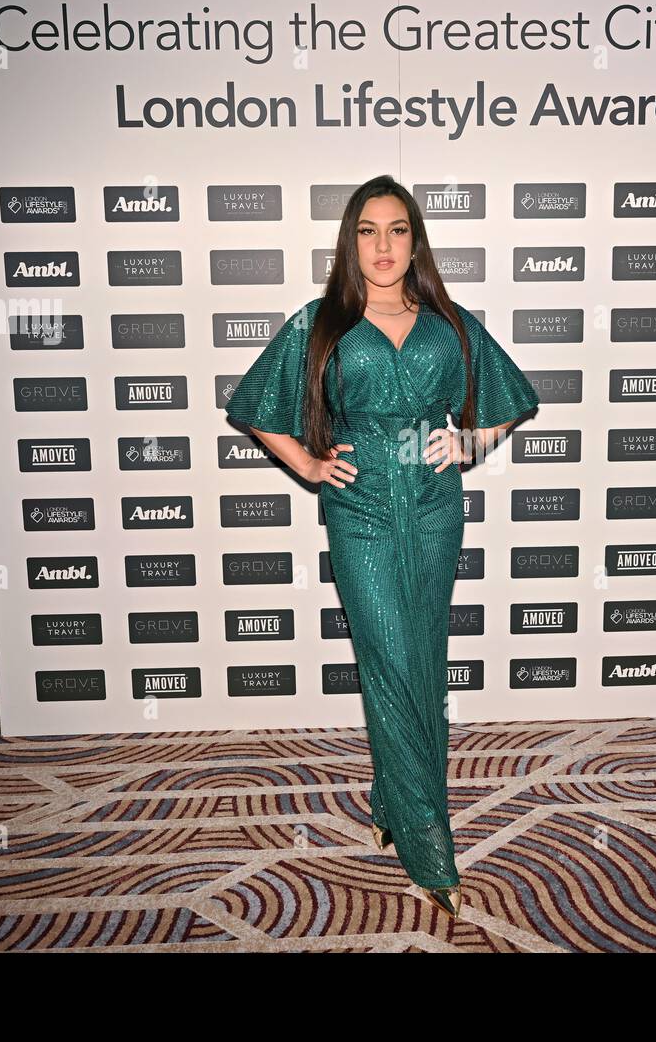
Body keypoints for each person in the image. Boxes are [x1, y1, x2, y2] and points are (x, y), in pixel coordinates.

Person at [223, 176, 539, 921]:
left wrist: (468, 442)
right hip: (358, 507)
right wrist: (304, 462)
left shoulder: (447, 323)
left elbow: (513, 398)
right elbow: (253, 403)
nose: (384, 246)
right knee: (390, 656)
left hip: (434, 509)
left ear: (415, 240)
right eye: (368, 231)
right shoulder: (321, 322)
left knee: (423, 659)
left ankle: (390, 798)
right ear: (350, 241)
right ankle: (431, 848)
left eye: (398, 230)